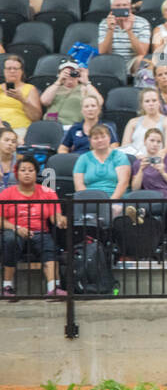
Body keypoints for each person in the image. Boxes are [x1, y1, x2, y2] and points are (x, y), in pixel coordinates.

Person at [0, 155, 68, 298]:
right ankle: (7, 287)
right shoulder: (6, 193)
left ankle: (53, 288)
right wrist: (16, 228)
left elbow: (54, 216)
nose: (26, 173)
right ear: (16, 173)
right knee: (10, 240)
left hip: (40, 232)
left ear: (36, 173)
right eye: (23, 170)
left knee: (49, 245)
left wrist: (61, 220)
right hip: (14, 231)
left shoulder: (48, 192)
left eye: (30, 170)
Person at [97, 0, 150, 76]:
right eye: (118, 6)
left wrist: (129, 31)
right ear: (112, 8)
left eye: (125, 5)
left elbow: (142, 53)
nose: (121, 8)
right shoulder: (104, 23)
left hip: (132, 63)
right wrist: (110, 29)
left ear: (130, 6)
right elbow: (103, 52)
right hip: (112, 63)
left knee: (142, 59)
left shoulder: (142, 23)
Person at [127, 127, 167, 205]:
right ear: (145, 142)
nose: (155, 144)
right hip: (149, 198)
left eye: (158, 142)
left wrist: (163, 173)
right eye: (152, 140)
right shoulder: (138, 163)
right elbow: (135, 189)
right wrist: (141, 170)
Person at [39, 60, 103, 127]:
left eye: (73, 71)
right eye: (66, 72)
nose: (69, 74)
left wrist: (86, 82)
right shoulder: (55, 87)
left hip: (71, 125)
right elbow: (44, 101)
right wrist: (58, 81)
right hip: (50, 124)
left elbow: (99, 102)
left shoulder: (84, 88)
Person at [73, 125, 131, 198]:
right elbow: (79, 185)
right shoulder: (83, 158)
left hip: (115, 198)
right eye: (95, 138)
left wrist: (110, 203)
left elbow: (123, 183)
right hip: (89, 199)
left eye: (103, 137)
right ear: (90, 140)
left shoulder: (119, 156)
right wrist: (89, 200)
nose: (100, 140)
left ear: (109, 138)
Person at [120, 88, 167, 157]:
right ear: (142, 104)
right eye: (147, 101)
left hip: (156, 160)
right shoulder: (132, 122)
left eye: (154, 100)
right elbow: (125, 147)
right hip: (134, 161)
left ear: (159, 102)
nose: (151, 104)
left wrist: (148, 157)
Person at [0, 56, 41, 140]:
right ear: (4, 71)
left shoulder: (30, 88)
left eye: (15, 68)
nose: (12, 71)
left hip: (19, 129)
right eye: (9, 68)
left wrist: (22, 100)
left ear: (21, 71)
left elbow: (36, 117)